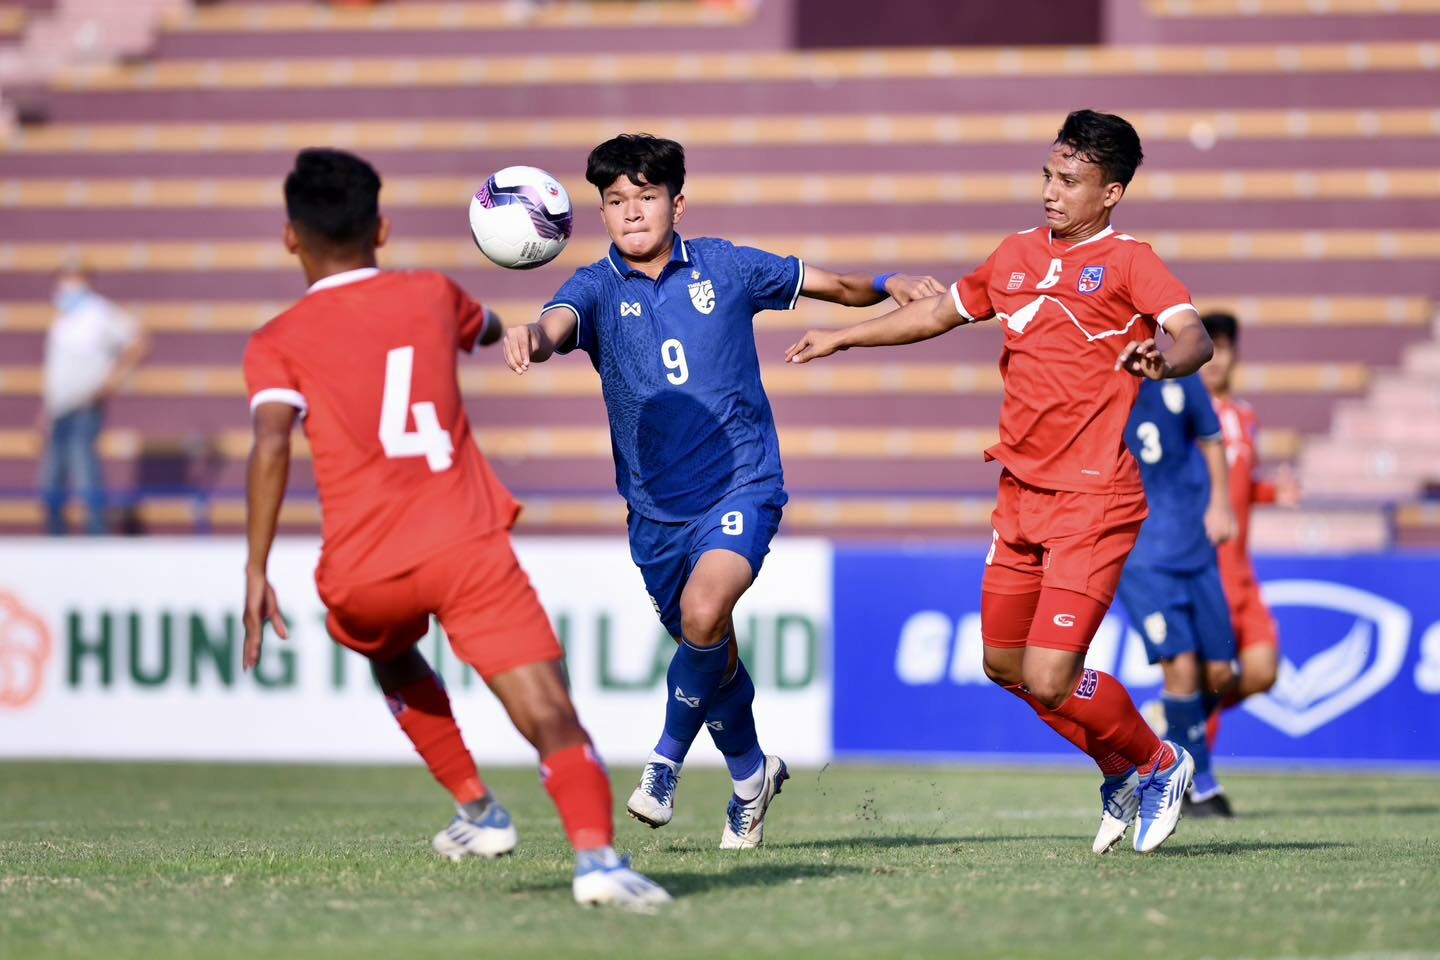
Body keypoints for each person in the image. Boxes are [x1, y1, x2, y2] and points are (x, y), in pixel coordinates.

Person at [241, 148, 668, 910]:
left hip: (363, 564)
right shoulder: (433, 294)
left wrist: (255, 568)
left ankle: (477, 808)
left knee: (388, 648)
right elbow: (489, 328)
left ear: (288, 238)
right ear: (382, 228)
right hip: (464, 544)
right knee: (548, 711)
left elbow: (271, 442)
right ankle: (598, 860)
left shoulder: (276, 341)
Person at [786, 109, 1212, 855]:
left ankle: (1161, 761)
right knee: (1003, 665)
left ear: (1110, 192)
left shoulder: (1130, 260)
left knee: (1051, 678)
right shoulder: (1015, 255)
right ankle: (1119, 768)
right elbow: (936, 315)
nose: (1051, 192)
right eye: (1048, 174)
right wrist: (844, 335)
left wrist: (1164, 361)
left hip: (1093, 497)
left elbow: (1193, 335)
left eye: (1069, 181)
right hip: (1018, 493)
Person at [502, 133, 943, 849]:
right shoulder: (595, 287)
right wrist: (533, 334)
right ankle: (749, 776)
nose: (632, 213)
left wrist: (887, 281)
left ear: (678, 203)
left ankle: (664, 766)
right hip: (654, 514)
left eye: (646, 197)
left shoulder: (727, 266)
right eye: (616, 201)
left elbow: (830, 285)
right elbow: (557, 324)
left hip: (744, 481)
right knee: (711, 650)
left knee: (706, 612)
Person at [1114, 375, 1238, 818]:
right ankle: (1199, 785)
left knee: (1222, 672)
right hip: (1143, 554)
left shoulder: (1182, 377)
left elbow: (1211, 437)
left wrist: (1221, 502)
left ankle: (1170, 725)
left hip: (1194, 545)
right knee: (1181, 668)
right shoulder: (1101, 377)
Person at [1199, 311, 1296, 750]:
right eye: (1208, 348)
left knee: (1262, 671)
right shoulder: (1184, 415)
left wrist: (1275, 493)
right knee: (1215, 674)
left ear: (1236, 355)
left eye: (1224, 347)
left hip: (1241, 572)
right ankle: (1198, 779)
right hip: (1203, 569)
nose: (1215, 359)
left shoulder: (1246, 416)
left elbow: (1239, 486)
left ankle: (1179, 717)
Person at [37, 266, 150, 535]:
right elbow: (57, 372)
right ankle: (55, 535)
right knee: (52, 476)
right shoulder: (63, 320)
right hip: (59, 407)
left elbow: (139, 341)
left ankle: (96, 533)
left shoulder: (100, 314)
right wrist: (44, 413)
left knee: (84, 469)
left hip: (84, 405)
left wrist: (111, 383)